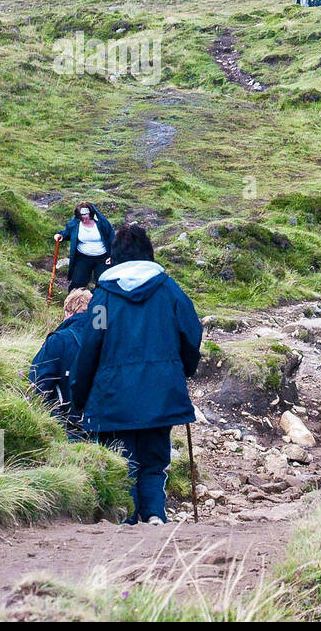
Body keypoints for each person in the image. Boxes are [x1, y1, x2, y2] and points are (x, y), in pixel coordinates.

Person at [71, 224, 202, 525]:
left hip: (113, 394)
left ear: (114, 258)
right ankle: (155, 514)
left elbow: (92, 342)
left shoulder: (103, 299)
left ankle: (127, 519)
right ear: (149, 253)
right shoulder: (168, 290)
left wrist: (80, 394)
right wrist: (181, 368)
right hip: (160, 391)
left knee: (122, 459)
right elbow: (191, 330)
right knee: (155, 458)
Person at [28, 288, 92, 439]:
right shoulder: (107, 340)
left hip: (67, 426)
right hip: (104, 428)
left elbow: (39, 383)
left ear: (68, 313)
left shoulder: (58, 340)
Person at [55, 202, 114, 291]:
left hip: (102, 258)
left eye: (86, 216)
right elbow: (67, 233)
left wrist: (113, 255)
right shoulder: (75, 223)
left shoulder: (102, 222)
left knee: (103, 283)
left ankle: (99, 302)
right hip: (83, 257)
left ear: (91, 213)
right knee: (77, 283)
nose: (84, 220)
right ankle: (73, 302)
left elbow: (112, 238)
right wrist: (61, 236)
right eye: (81, 217)